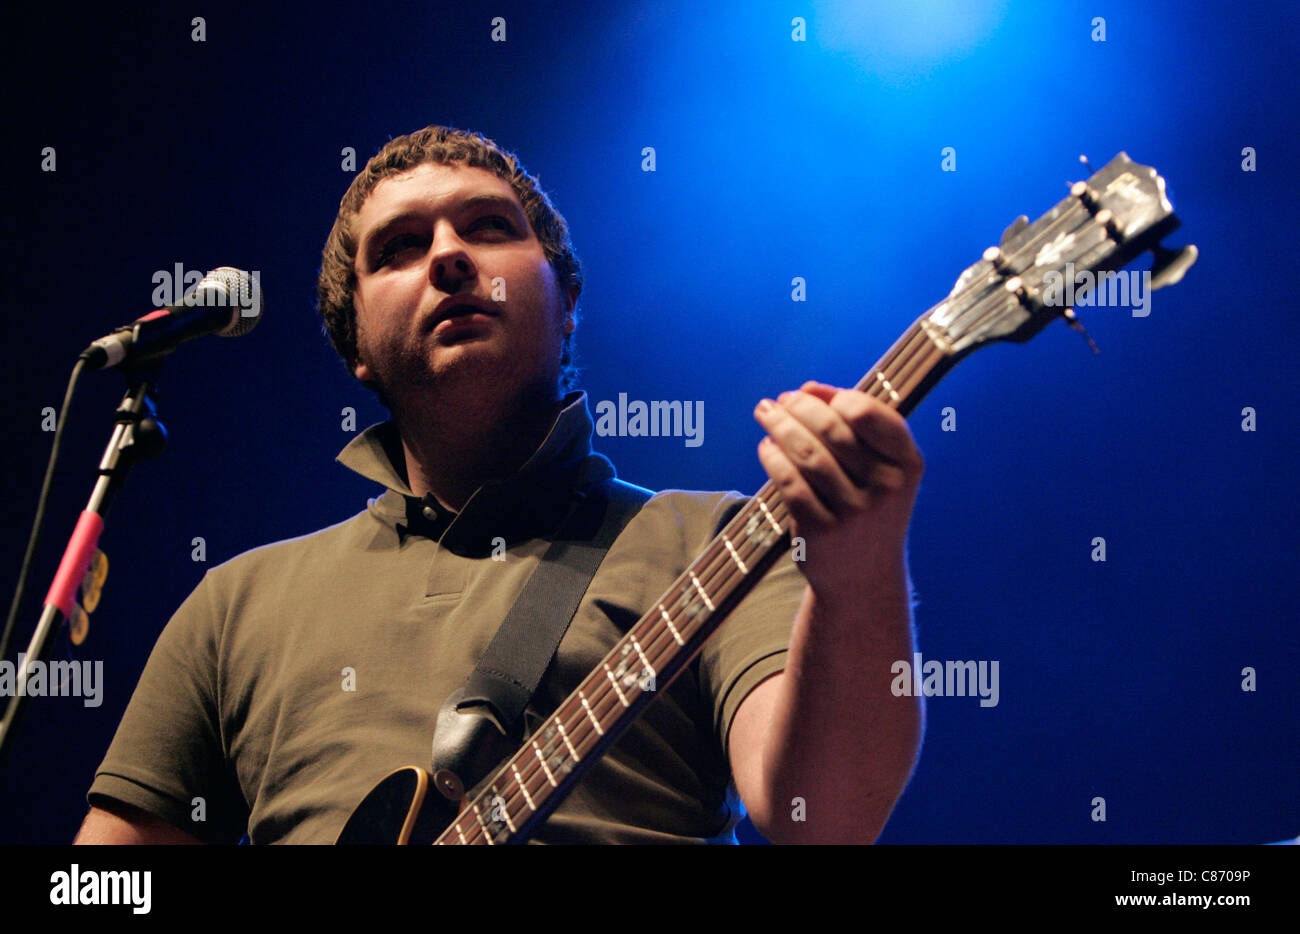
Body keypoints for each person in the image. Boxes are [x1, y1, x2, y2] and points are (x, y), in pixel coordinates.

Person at [73, 126, 925, 844]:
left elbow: (827, 817)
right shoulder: (235, 605)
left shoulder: (714, 543)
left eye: (486, 228)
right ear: (356, 342)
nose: (447, 256)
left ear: (565, 306)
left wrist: (857, 574)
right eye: (400, 248)